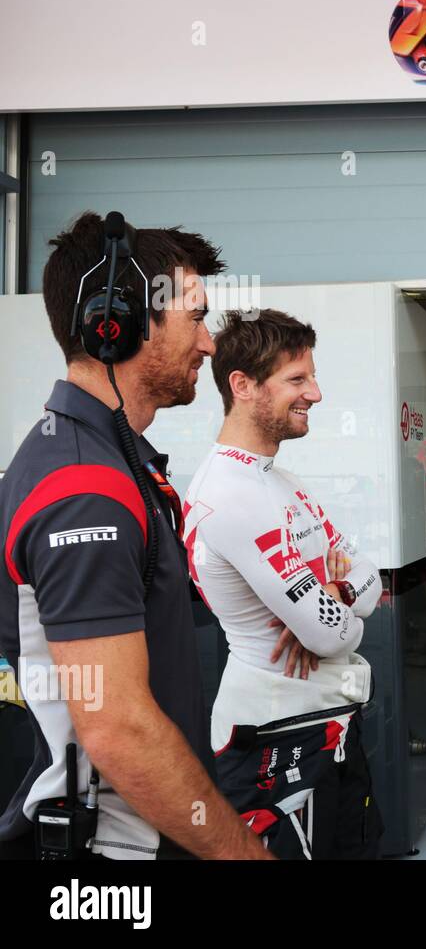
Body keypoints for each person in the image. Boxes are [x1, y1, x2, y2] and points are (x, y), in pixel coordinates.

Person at [0, 212, 268, 859]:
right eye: (196, 317)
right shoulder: (84, 486)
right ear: (115, 321)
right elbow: (117, 729)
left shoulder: (110, 460)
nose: (209, 345)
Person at [184, 309, 384, 857]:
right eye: (297, 380)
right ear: (242, 386)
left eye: (311, 377)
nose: (315, 393)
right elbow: (334, 637)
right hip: (275, 740)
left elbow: (370, 581)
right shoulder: (231, 494)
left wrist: (334, 597)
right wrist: (331, 609)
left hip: (332, 727)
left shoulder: (282, 482)